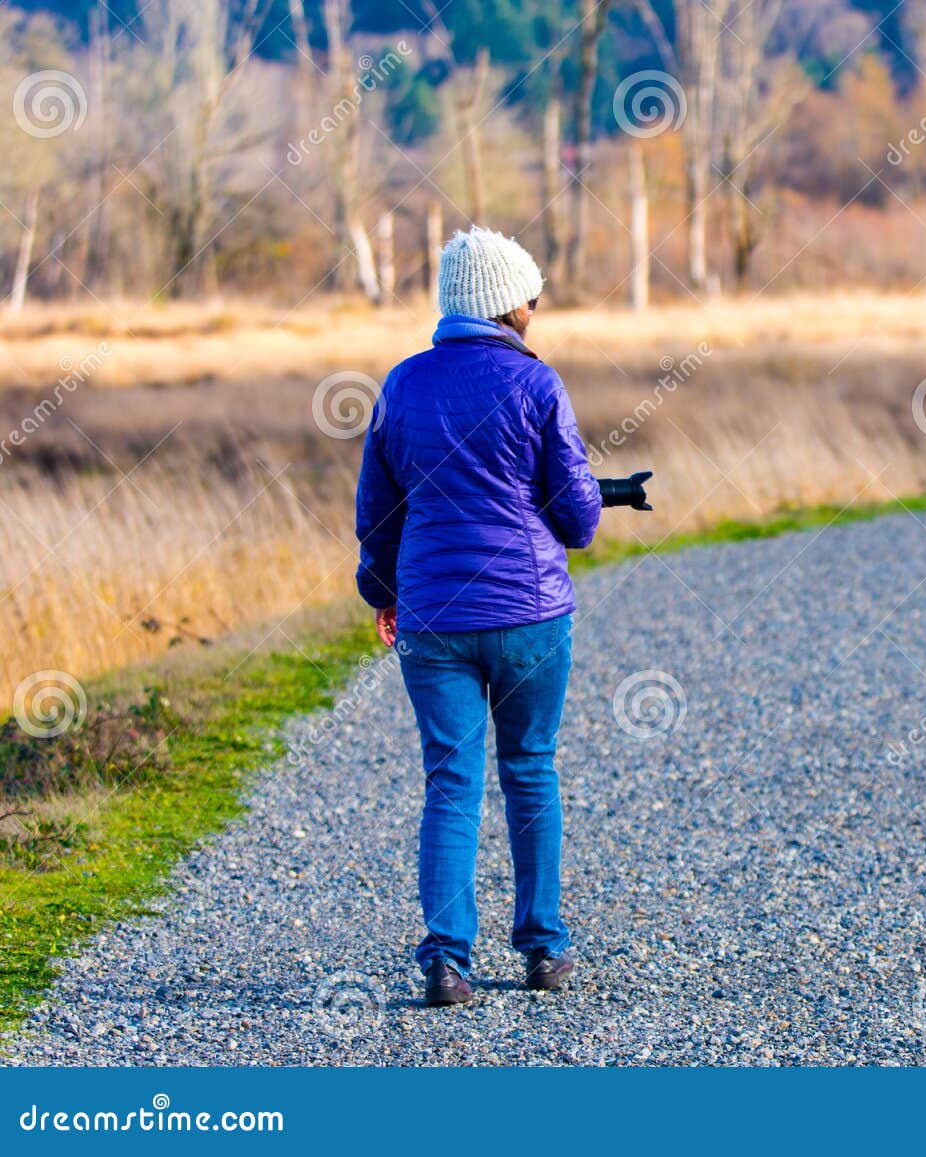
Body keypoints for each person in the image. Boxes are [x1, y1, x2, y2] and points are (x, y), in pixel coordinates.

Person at [355, 226, 601, 1006]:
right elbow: (579, 515)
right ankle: (543, 950)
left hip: (432, 619)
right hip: (530, 615)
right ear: (508, 306)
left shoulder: (402, 383)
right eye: (532, 295)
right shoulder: (538, 384)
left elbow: (377, 513)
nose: (537, 306)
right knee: (530, 769)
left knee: (450, 781)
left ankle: (447, 962)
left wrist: (382, 592)